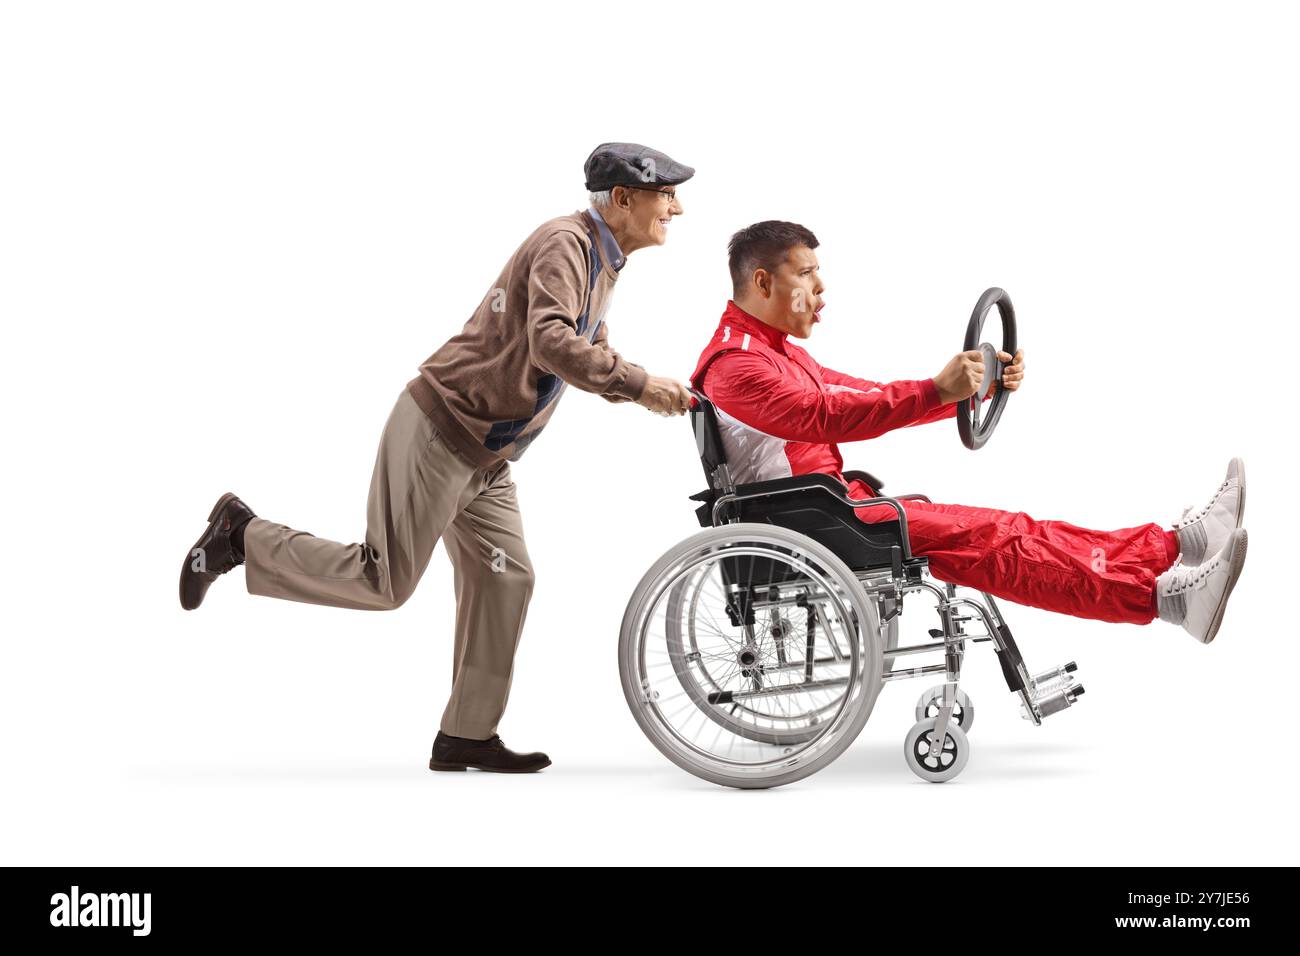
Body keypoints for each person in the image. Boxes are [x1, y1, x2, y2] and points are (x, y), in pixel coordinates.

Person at [179, 143, 696, 773]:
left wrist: (640, 389)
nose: (677, 206)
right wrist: (641, 385)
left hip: (485, 457)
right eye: (665, 194)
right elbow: (553, 341)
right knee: (383, 580)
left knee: (507, 577)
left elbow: (578, 345)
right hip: (440, 431)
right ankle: (242, 537)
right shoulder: (567, 242)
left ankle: (466, 736)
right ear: (622, 198)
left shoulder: (602, 261)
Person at [690, 221, 1247, 642]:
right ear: (763, 281)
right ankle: (1160, 600)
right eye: (806, 275)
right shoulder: (735, 367)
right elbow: (827, 418)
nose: (822, 289)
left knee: (1017, 528)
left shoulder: (773, 352)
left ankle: (1176, 546)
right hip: (815, 527)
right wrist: (938, 390)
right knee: (1003, 542)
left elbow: (864, 396)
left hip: (831, 512)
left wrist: (971, 389)